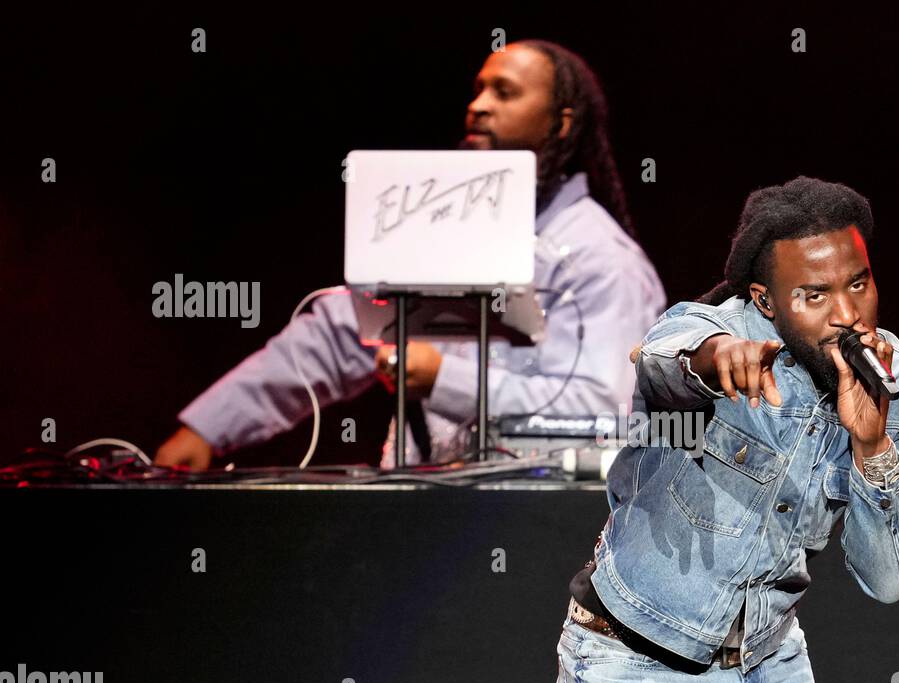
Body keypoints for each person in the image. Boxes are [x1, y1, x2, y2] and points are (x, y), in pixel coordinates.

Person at [555, 176, 899, 683]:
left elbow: (893, 580)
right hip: (637, 679)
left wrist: (872, 446)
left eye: (859, 284)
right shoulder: (723, 335)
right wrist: (713, 362)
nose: (846, 314)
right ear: (763, 300)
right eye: (814, 295)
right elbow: (667, 355)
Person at [155, 40, 664, 469]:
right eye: (479, 90)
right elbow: (336, 335)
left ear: (561, 123)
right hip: (417, 523)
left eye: (504, 93)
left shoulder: (601, 259)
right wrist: (207, 429)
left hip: (535, 537)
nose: (479, 105)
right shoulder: (443, 230)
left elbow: (605, 416)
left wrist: (446, 378)